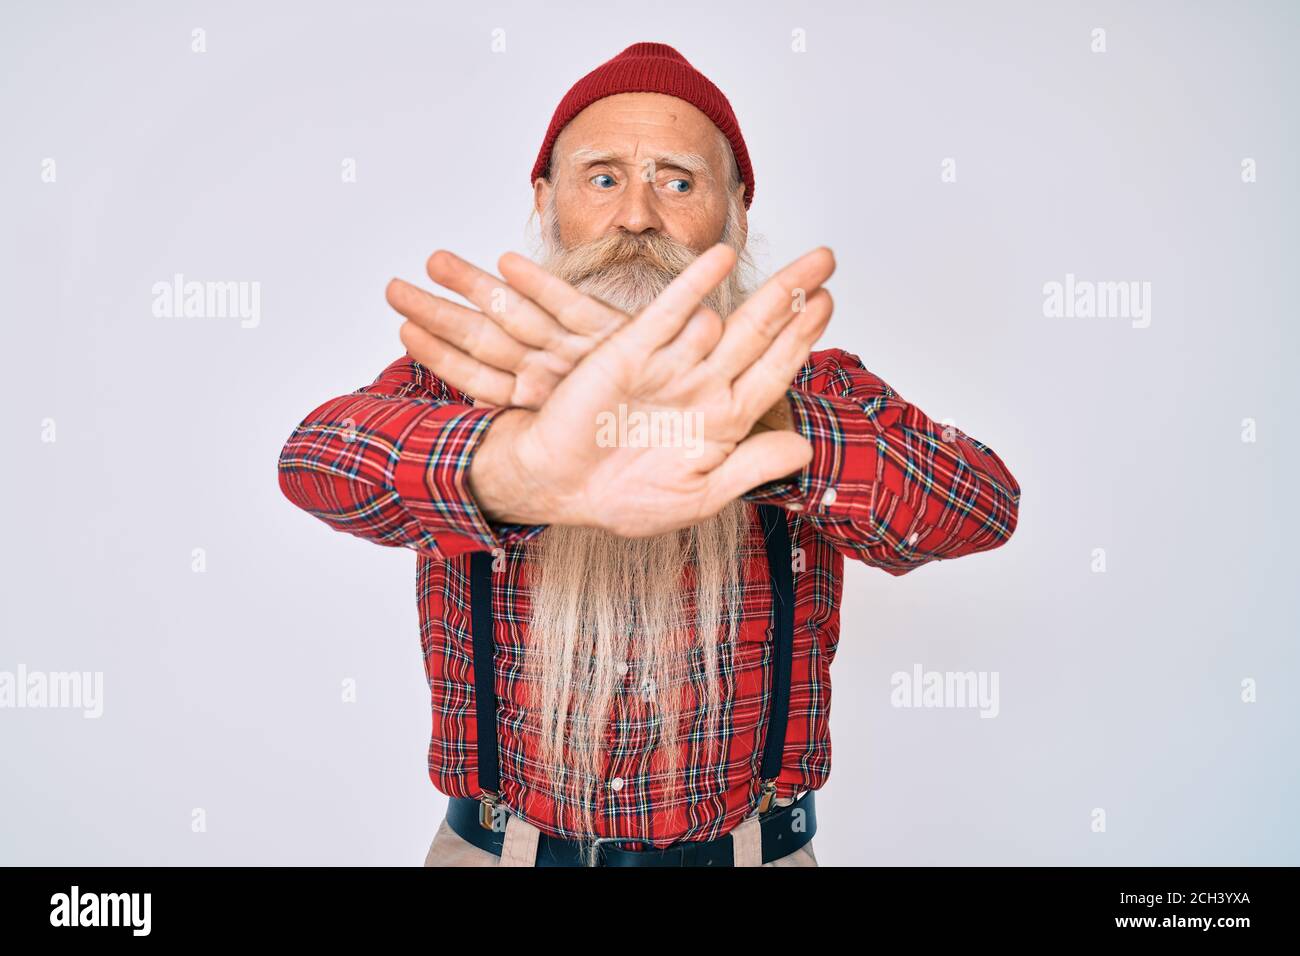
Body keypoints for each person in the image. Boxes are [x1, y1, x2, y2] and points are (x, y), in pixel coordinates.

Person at [277, 42, 1021, 867]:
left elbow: (981, 504)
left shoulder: (810, 386)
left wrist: (763, 424)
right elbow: (314, 458)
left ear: (735, 212)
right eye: (602, 177)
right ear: (546, 201)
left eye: (678, 180)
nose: (637, 216)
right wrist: (508, 469)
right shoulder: (466, 379)